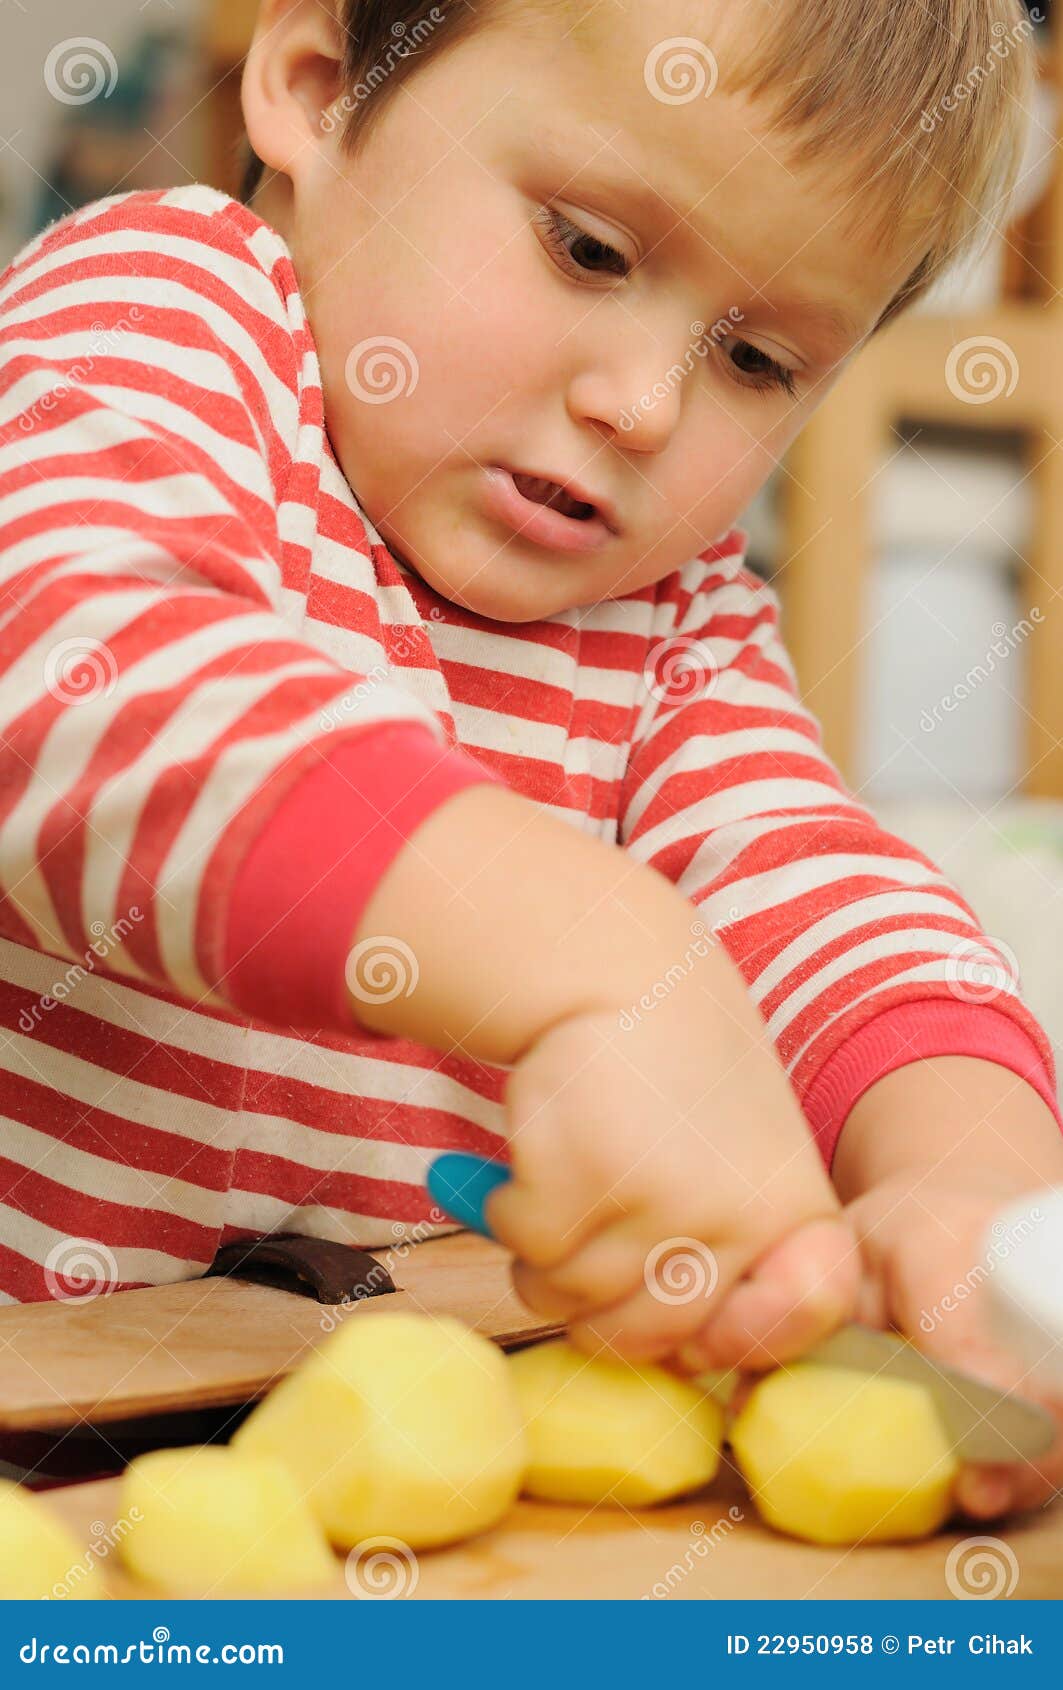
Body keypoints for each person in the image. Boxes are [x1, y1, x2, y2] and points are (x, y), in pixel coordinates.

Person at [1, 0, 1060, 1521]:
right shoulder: (166, 310)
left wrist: (973, 1185)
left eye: (757, 358)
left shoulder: (674, 614)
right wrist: (595, 952)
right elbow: (63, 679)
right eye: (590, 250)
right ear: (320, 87)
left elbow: (814, 885)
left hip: (405, 1519)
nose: (642, 405)